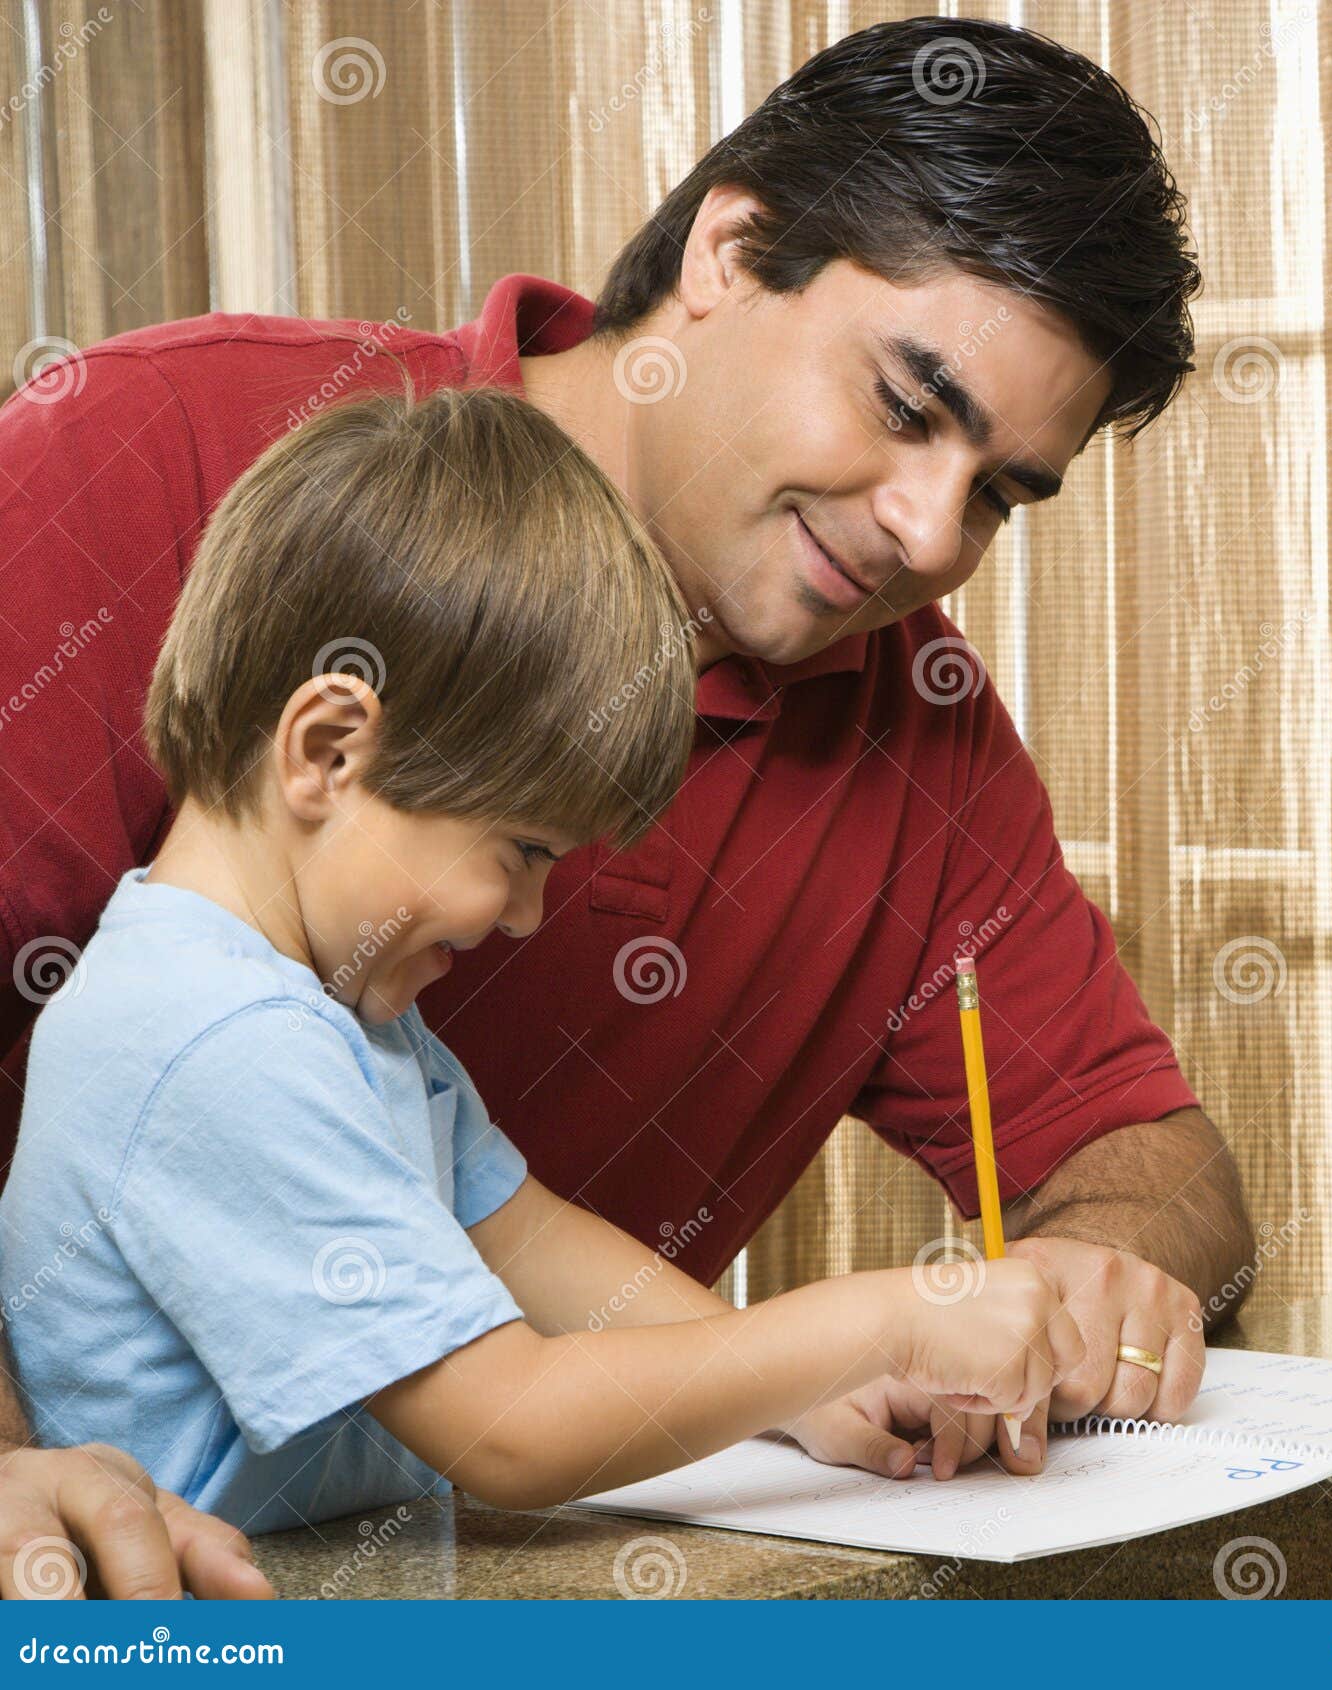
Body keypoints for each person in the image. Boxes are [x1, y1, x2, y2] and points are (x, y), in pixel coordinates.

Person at [0, 16, 1251, 1595]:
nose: (934, 535)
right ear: (728, 251)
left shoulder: (916, 730)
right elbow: (506, 1416)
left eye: (1000, 493)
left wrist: (1075, 1287)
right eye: (904, 405)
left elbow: (1146, 1155)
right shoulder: (144, 452)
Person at [0, 383, 1083, 1577]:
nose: (523, 914)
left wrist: (809, 1394)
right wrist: (872, 1324)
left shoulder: (341, 1012)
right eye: (520, 851)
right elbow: (505, 1426)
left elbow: (534, 1243)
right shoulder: (218, 1037)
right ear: (328, 750)